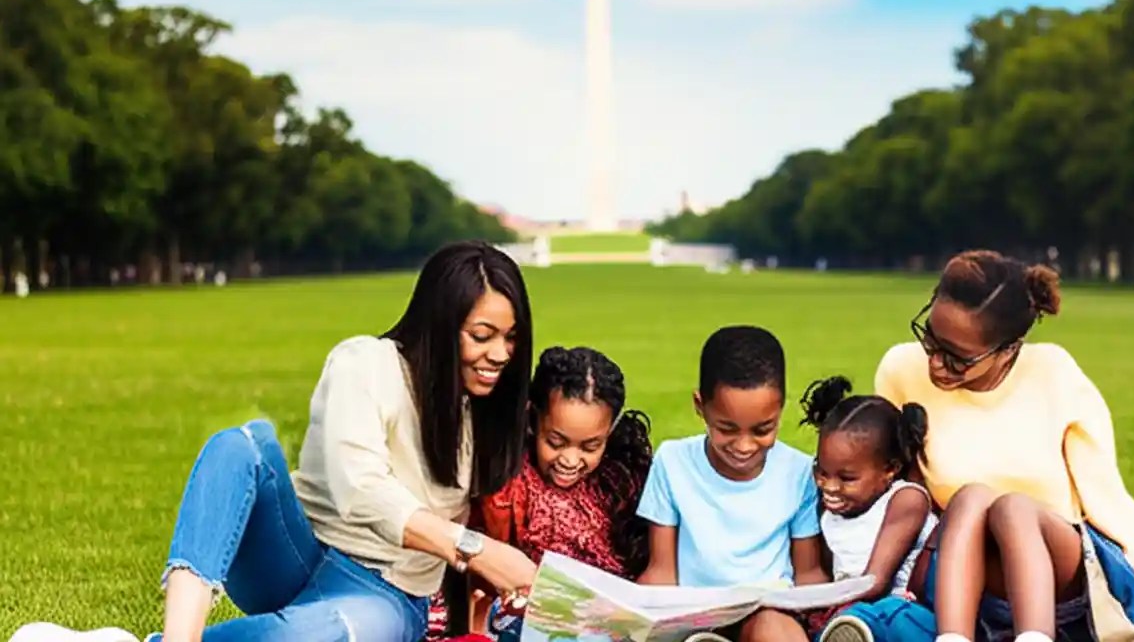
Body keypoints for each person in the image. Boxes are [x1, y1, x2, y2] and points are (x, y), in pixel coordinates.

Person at [14, 240, 540, 642]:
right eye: (482, 335)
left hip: (385, 595)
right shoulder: (365, 364)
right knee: (243, 442)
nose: (500, 354)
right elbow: (360, 491)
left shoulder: (491, 415)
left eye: (511, 338)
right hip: (294, 552)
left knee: (332, 632)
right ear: (439, 325)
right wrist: (472, 549)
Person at [874, 249, 1134, 642]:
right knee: (991, 503)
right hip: (978, 556)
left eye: (958, 358)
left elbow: (1102, 493)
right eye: (930, 339)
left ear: (1009, 349)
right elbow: (890, 480)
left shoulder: (1053, 371)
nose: (936, 364)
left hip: (1084, 543)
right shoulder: (900, 369)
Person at [636, 325, 825, 642]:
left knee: (772, 629)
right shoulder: (673, 462)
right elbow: (662, 570)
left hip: (770, 612)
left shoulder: (799, 471)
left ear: (779, 410)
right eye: (727, 428)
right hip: (697, 618)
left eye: (762, 429)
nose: (744, 446)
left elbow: (808, 572)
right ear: (700, 406)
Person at [469, 345, 654, 641]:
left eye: (590, 446)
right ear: (533, 419)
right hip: (519, 614)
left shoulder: (623, 481)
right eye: (555, 442)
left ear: (610, 431)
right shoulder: (503, 479)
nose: (570, 460)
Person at [798, 376, 938, 642]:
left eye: (847, 478)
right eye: (822, 471)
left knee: (886, 615)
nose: (829, 486)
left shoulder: (905, 500)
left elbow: (876, 581)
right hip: (845, 609)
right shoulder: (828, 510)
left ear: (890, 470)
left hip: (902, 611)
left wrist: (830, 604)